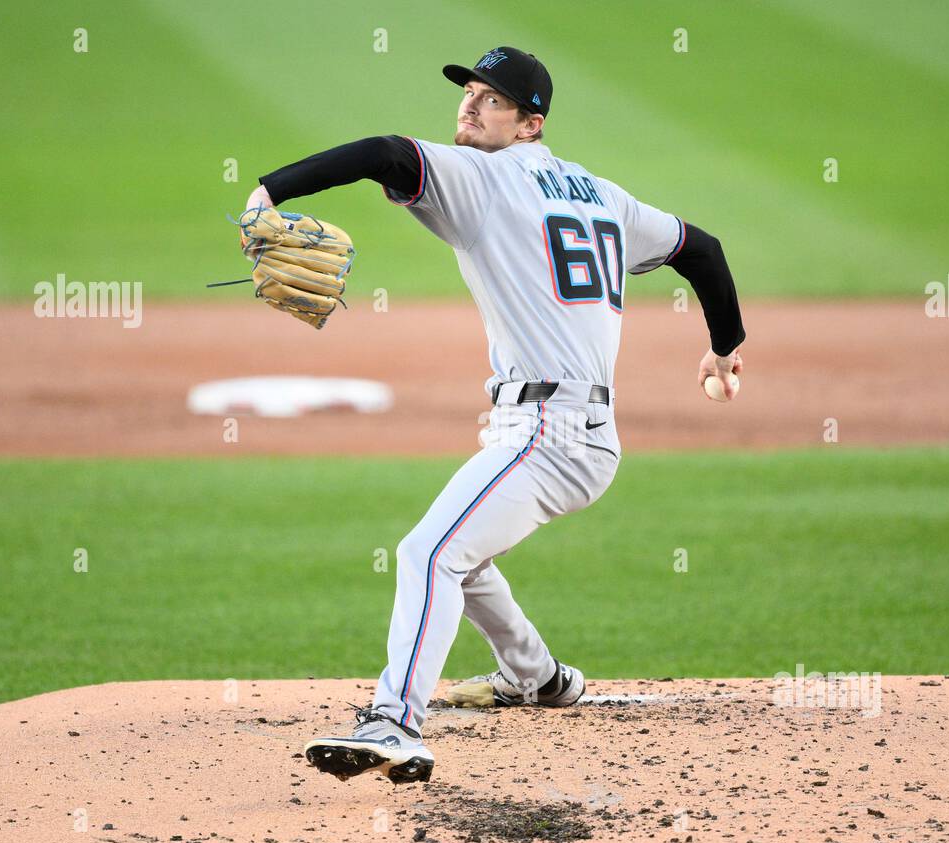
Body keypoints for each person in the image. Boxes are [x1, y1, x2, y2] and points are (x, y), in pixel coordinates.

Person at [249, 47, 745, 784]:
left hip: (551, 434)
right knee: (463, 553)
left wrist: (268, 192)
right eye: (468, 94)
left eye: (491, 100)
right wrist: (724, 347)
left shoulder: (483, 176)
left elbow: (382, 153)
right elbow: (700, 248)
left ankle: (394, 720)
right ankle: (538, 678)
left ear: (529, 124)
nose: (469, 108)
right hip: (572, 433)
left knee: (429, 553)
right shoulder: (602, 193)